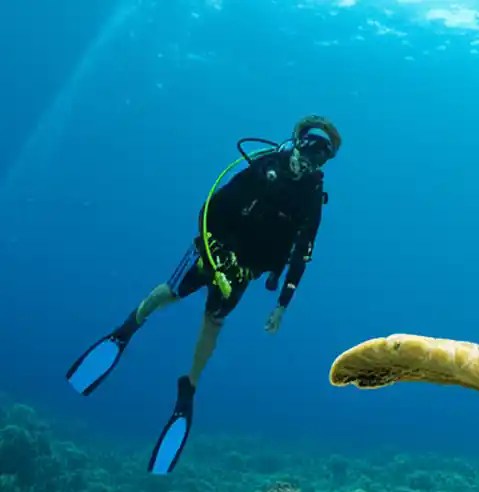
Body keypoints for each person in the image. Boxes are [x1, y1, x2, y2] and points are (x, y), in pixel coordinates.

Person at [66, 115, 340, 474]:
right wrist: (215, 248)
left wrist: (281, 306)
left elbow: (303, 254)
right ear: (297, 142)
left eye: (320, 159)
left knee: (214, 322)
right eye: (308, 150)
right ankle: (128, 327)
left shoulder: (311, 199)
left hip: (245, 269)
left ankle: (188, 389)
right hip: (215, 248)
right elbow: (212, 207)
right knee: (172, 292)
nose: (310, 161)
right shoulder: (263, 167)